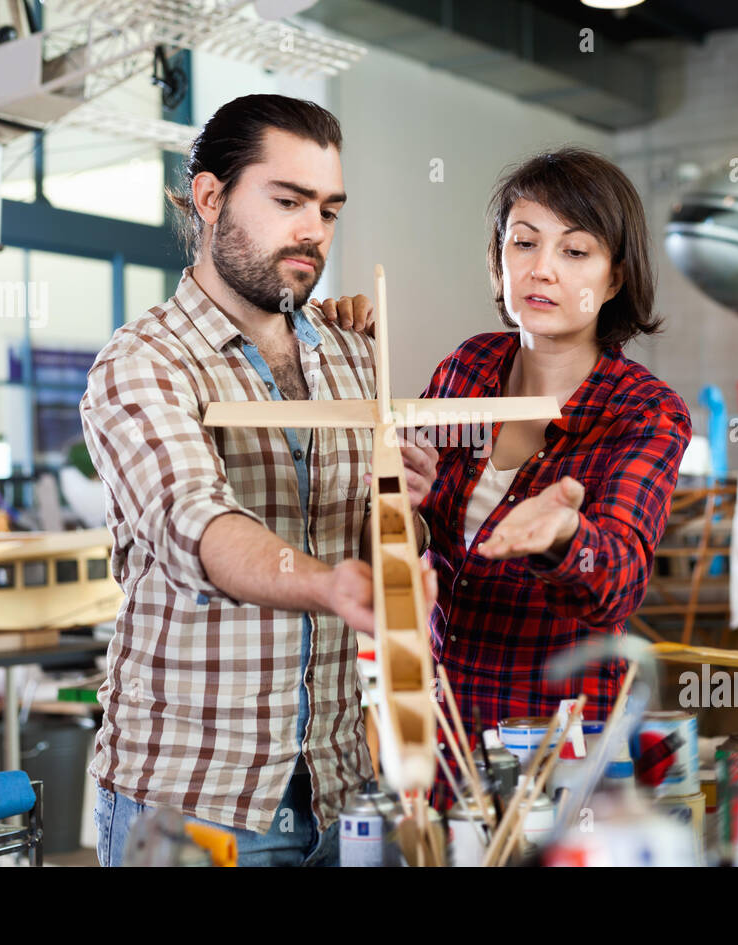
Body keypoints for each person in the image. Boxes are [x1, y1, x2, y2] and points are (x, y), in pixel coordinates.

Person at [80, 94, 434, 866]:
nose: (313, 230)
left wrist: (406, 508)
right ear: (210, 198)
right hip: (193, 802)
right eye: (287, 201)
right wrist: (327, 586)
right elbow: (197, 525)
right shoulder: (143, 362)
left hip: (340, 789)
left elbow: (371, 539)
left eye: (329, 210)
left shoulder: (353, 356)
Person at [324, 147, 691, 788]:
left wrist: (562, 537)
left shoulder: (645, 410)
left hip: (557, 750)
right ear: (499, 263)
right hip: (442, 739)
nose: (542, 269)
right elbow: (409, 549)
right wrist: (396, 501)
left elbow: (618, 584)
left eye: (575, 252)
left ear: (615, 278)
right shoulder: (467, 370)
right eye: (524, 243)